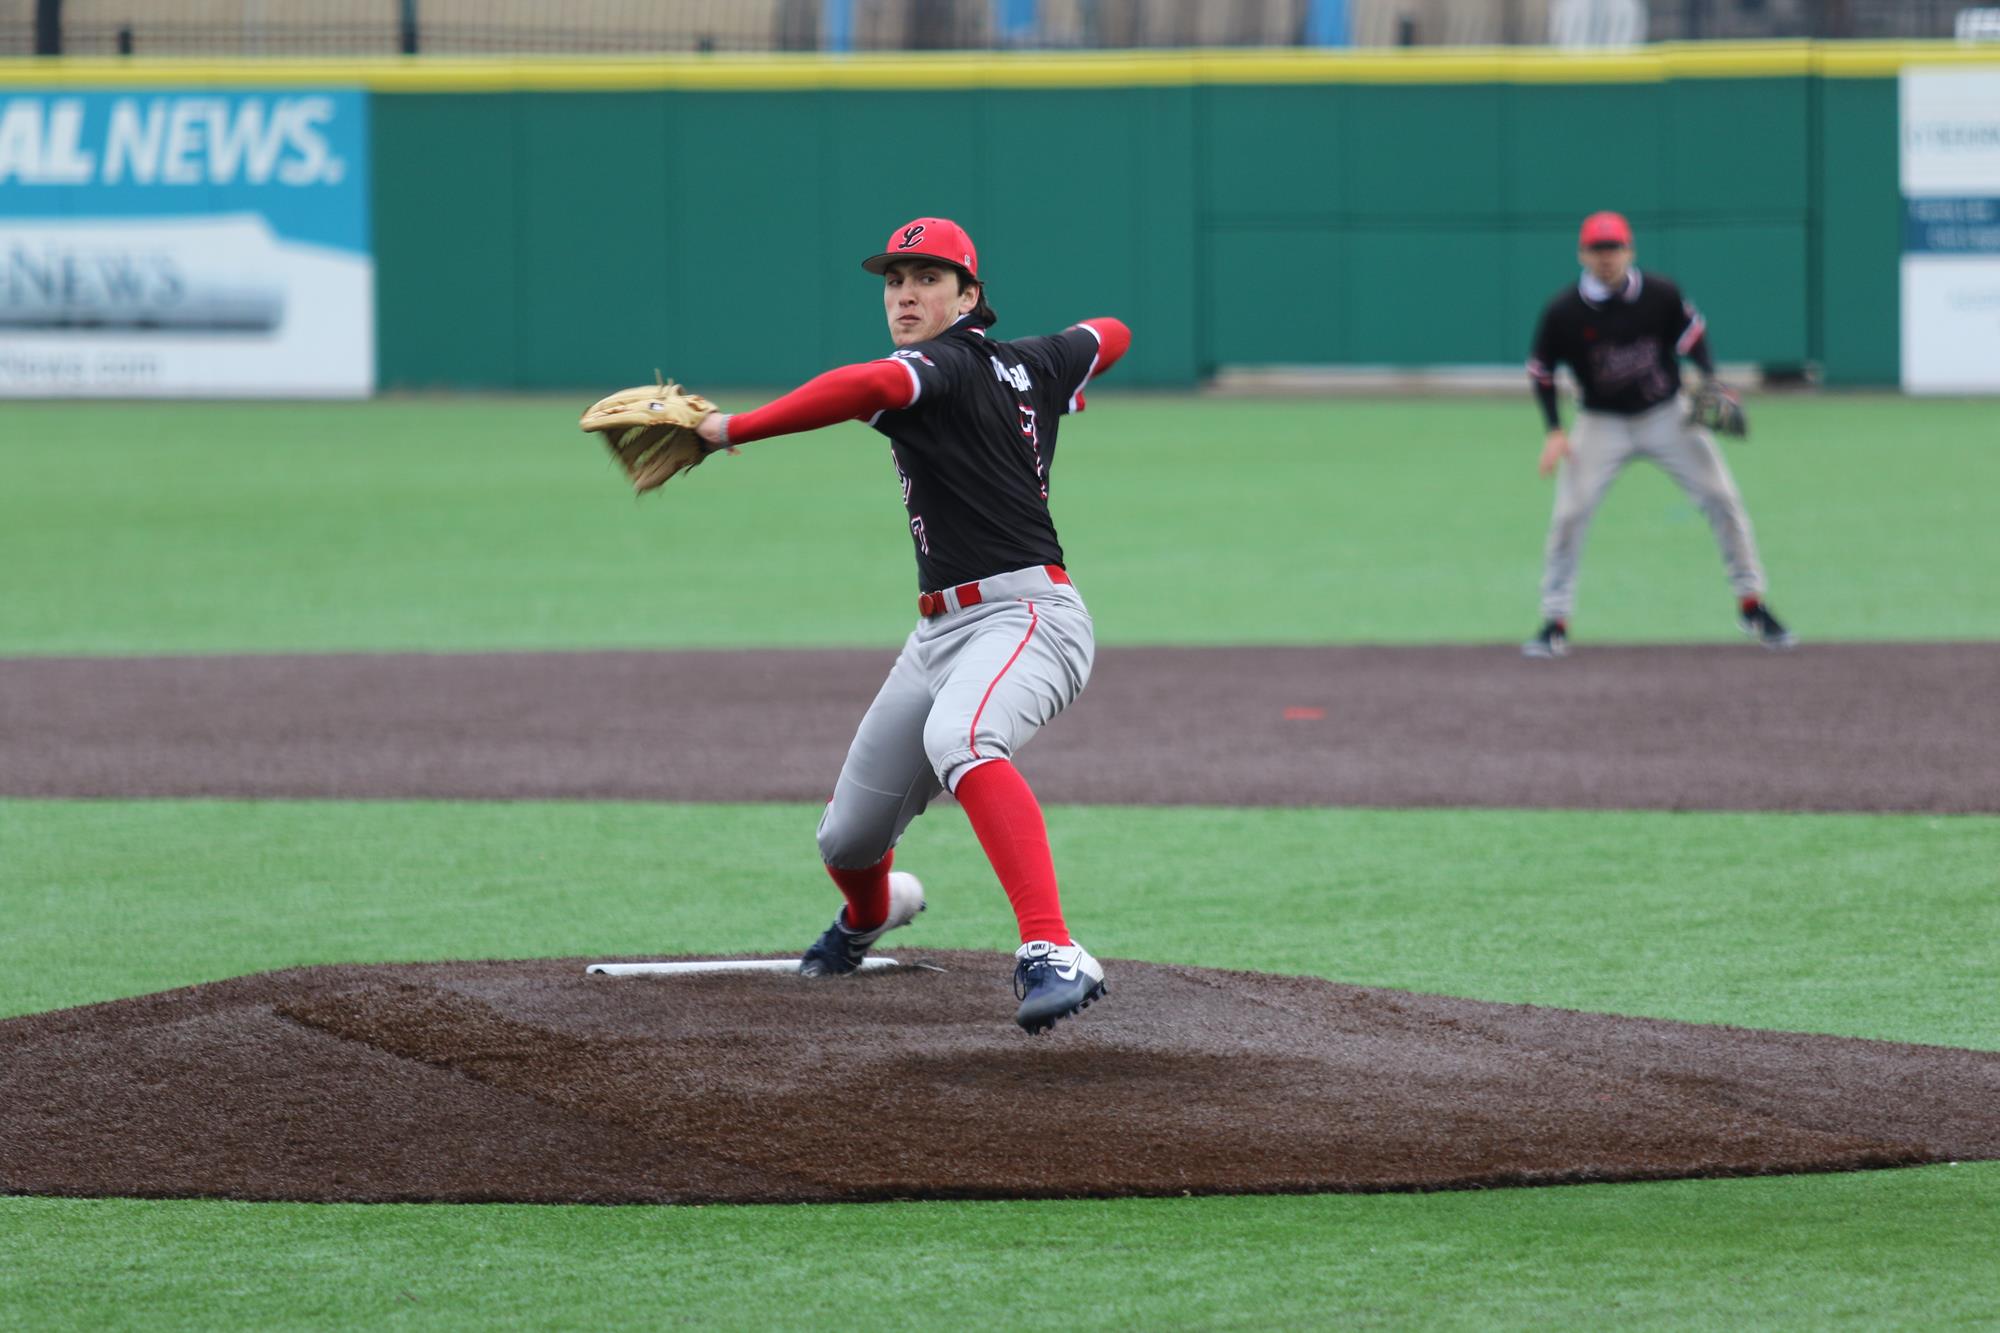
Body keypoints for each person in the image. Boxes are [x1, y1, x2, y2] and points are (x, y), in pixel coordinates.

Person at [690, 217, 1131, 1034]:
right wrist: (1057, 367)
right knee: (847, 838)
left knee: (963, 738)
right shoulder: (1032, 362)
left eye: (927, 279)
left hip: (1029, 617)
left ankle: (1053, 947)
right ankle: (871, 915)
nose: (904, 295)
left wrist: (728, 430)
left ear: (969, 297)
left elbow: (864, 385)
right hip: (935, 637)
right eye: (894, 281)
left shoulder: (939, 366)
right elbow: (1111, 333)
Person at [1522, 210, 1794, 659]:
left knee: (1722, 498)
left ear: (1630, 250)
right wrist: (1553, 429)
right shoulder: (1563, 311)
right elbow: (1542, 371)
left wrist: (1708, 378)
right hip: (1600, 422)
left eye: (1614, 248)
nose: (1606, 257)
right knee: (1569, 515)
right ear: (1582, 254)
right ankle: (1555, 621)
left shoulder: (1660, 294)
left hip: (1667, 415)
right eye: (1597, 249)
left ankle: (1752, 605)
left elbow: (1693, 335)